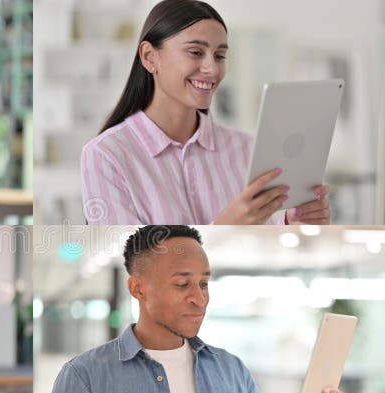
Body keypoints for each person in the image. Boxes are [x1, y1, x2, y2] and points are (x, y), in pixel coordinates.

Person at [38, 225, 352, 393]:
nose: (198, 299)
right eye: (182, 284)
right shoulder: (85, 377)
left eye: (203, 284)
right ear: (138, 288)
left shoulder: (232, 371)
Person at [81, 0, 331, 225]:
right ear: (149, 57)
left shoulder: (246, 149)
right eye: (195, 52)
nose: (212, 69)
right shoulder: (106, 155)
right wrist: (225, 229)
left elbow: (266, 246)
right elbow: (126, 259)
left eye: (220, 55)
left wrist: (291, 223)